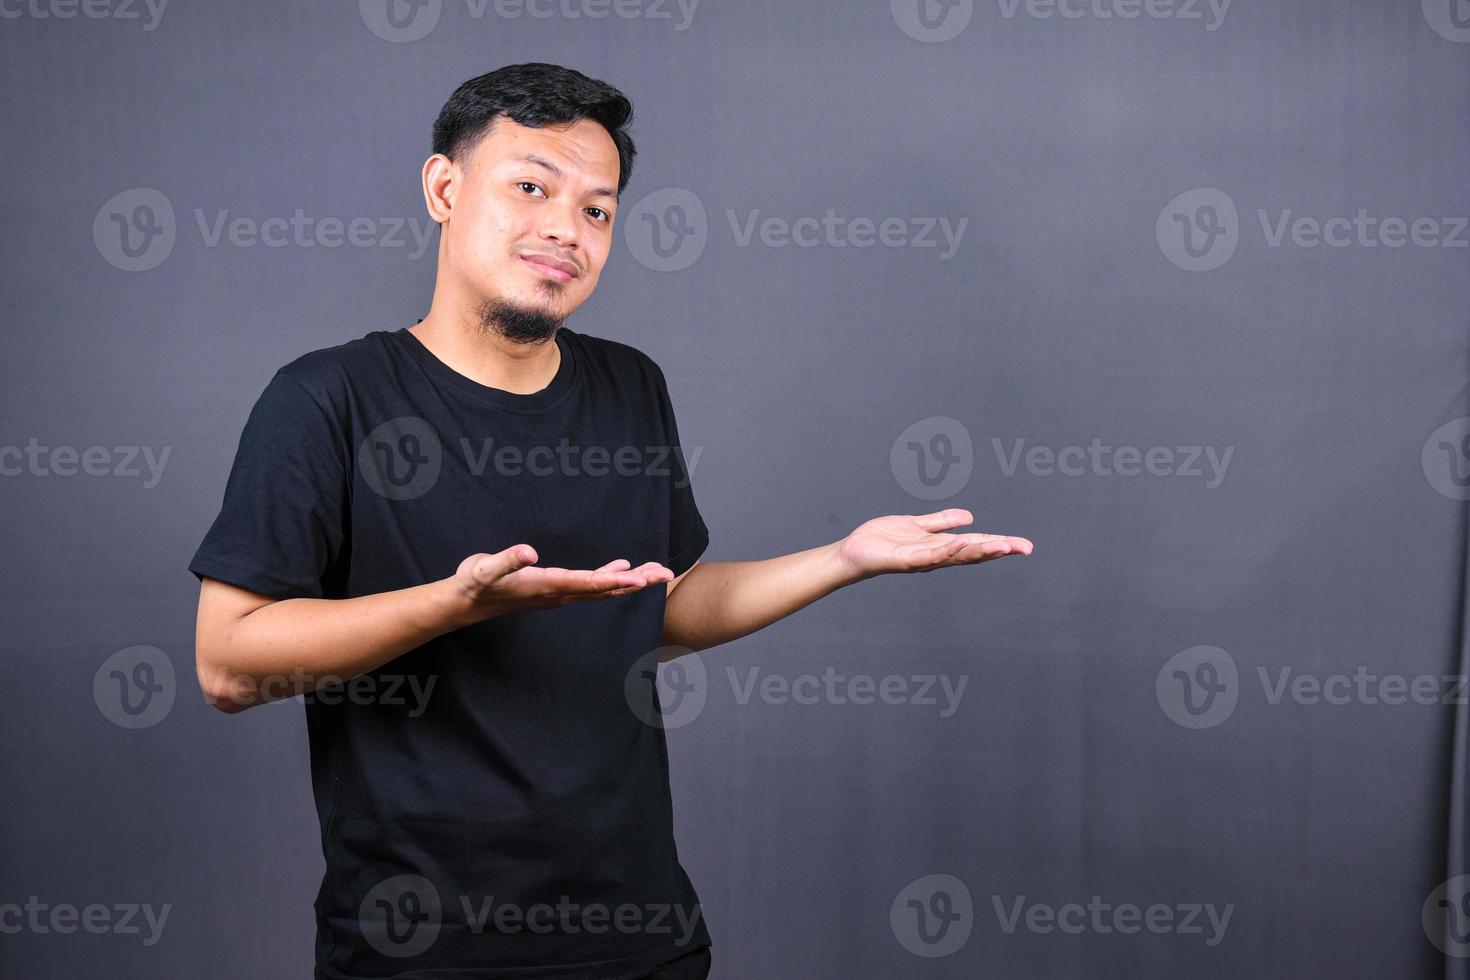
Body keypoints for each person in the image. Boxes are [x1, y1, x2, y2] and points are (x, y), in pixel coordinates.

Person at [188, 62, 1033, 980]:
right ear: (443, 188)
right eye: (531, 188)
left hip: (640, 939)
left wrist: (844, 558)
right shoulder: (326, 399)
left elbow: (661, 604)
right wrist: (456, 604)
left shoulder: (631, 387)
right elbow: (230, 665)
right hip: (422, 947)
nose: (566, 228)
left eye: (598, 209)